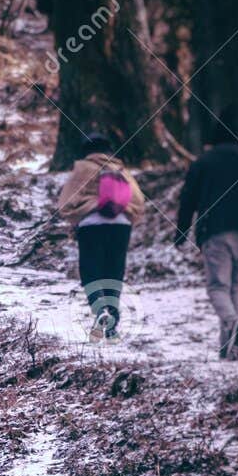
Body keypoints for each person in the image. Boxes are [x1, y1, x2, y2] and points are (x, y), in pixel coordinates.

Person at [174, 114, 238, 360]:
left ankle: (233, 324)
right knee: (234, 287)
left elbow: (188, 200)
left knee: (218, 286)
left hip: (215, 230)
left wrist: (181, 231)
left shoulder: (203, 162)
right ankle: (229, 348)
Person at [57, 132, 144, 340]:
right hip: (121, 226)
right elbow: (138, 200)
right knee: (114, 272)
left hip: (92, 225)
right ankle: (112, 322)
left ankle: (100, 311)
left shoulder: (82, 168)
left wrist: (81, 212)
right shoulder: (121, 170)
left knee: (91, 272)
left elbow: (66, 202)